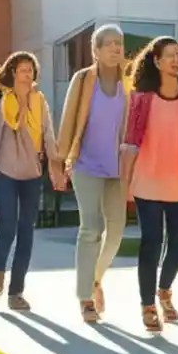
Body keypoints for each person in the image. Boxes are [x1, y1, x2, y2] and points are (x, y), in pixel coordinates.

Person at [121, 36, 178, 333]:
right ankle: (148, 305)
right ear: (157, 61)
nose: (177, 59)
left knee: (177, 244)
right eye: (171, 55)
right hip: (148, 180)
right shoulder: (141, 98)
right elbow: (131, 143)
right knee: (151, 241)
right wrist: (124, 185)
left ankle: (165, 291)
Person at [0, 51, 65, 311]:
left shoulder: (40, 100)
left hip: (32, 173)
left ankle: (16, 292)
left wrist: (56, 166)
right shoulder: (2, 99)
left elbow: (48, 134)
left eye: (30, 70)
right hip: (5, 172)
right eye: (22, 69)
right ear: (12, 72)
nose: (27, 74)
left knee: (27, 231)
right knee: (8, 227)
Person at [57, 24, 131, 324]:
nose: (116, 47)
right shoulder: (84, 79)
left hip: (118, 168)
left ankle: (95, 279)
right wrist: (60, 161)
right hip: (86, 164)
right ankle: (85, 298)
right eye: (109, 43)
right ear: (96, 50)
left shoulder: (130, 82)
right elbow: (68, 119)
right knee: (91, 228)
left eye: (119, 43)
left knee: (116, 233)